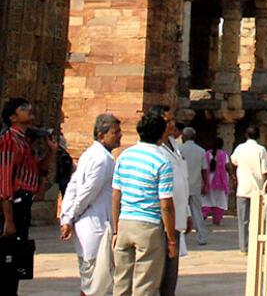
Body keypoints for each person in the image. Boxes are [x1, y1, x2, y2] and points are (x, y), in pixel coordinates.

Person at [111, 110, 176, 296]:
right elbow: (166, 205)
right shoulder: (162, 161)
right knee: (145, 285)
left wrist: (116, 229)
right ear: (162, 133)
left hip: (125, 223)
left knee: (121, 282)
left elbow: (116, 196)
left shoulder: (124, 156)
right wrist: (171, 239)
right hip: (148, 226)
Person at [0, 98, 57, 295]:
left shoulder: (25, 141)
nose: (29, 110)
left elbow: (39, 170)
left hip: (23, 205)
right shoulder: (8, 141)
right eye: (23, 109)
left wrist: (51, 152)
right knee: (7, 258)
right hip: (11, 206)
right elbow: (5, 182)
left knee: (17, 259)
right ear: (13, 117)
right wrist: (8, 219)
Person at [59, 114, 121, 296]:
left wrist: (67, 216)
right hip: (95, 224)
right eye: (115, 132)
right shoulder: (103, 160)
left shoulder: (90, 155)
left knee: (91, 280)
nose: (119, 136)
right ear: (101, 135)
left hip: (89, 223)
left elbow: (73, 186)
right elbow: (87, 192)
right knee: (95, 282)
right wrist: (70, 217)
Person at [149, 107, 188, 296]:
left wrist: (187, 213)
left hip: (177, 218)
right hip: (161, 221)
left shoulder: (174, 144)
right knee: (158, 275)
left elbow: (182, 179)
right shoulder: (155, 150)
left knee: (171, 277)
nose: (172, 124)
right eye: (168, 121)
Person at [230, 127, 267, 254]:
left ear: (246, 135)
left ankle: (244, 247)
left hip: (243, 187)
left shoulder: (240, 148)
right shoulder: (261, 150)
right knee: (258, 218)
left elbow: (233, 161)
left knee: (243, 220)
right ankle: (258, 245)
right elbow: (266, 170)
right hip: (257, 188)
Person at [178, 129, 208, 246]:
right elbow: (204, 170)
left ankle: (181, 239)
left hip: (182, 185)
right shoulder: (201, 151)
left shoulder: (179, 149)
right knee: (197, 212)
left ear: (183, 137)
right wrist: (205, 184)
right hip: (196, 184)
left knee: (181, 211)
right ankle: (202, 236)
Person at [200, 139, 231, 225]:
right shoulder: (224, 155)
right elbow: (227, 166)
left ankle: (204, 213)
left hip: (208, 179)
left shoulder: (206, 154)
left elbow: (203, 167)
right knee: (220, 201)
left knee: (207, 199)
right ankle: (217, 219)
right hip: (220, 180)